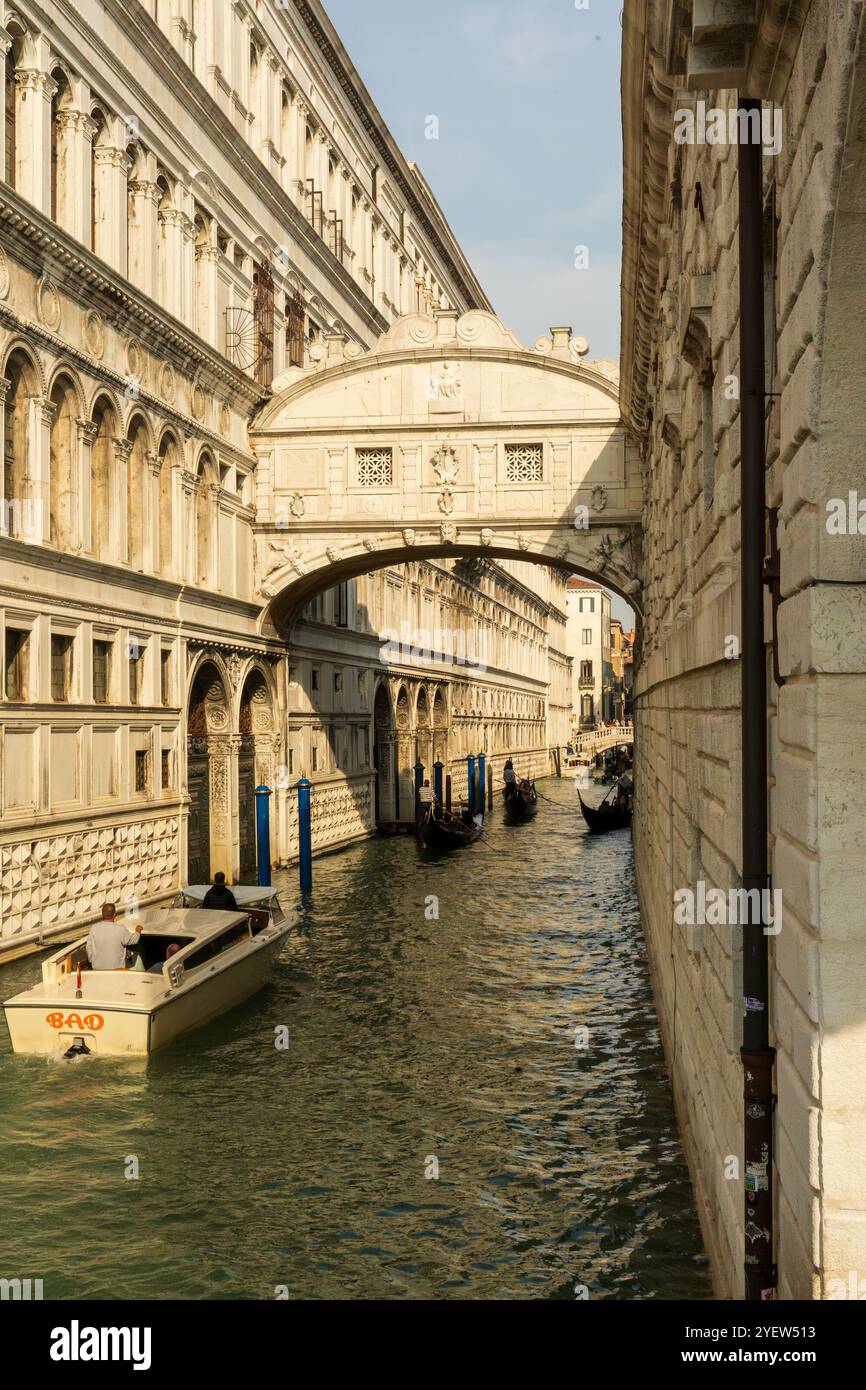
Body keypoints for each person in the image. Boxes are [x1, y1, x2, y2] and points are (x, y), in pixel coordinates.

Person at [86, 903, 141, 971]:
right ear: (114, 915)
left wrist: (92, 960)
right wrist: (138, 931)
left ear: (102, 914)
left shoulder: (94, 928)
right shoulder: (120, 929)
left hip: (98, 970)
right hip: (116, 971)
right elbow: (133, 940)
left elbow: (89, 947)